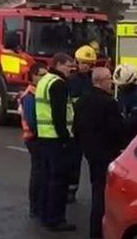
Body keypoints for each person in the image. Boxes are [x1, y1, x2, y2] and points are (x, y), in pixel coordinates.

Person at [73, 67, 125, 239]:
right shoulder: (108, 103)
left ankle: (94, 231)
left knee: (97, 190)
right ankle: (100, 232)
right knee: (103, 195)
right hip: (107, 154)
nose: (112, 82)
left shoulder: (82, 101)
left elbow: (77, 128)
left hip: (91, 153)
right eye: (109, 79)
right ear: (101, 81)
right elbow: (117, 129)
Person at [35, 52, 78, 232]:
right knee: (59, 181)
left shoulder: (44, 80)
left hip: (44, 136)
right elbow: (59, 115)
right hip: (56, 139)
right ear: (59, 64)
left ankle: (44, 215)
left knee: (47, 179)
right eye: (68, 65)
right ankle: (56, 219)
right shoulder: (58, 84)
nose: (71, 69)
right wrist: (65, 138)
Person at [64, 44, 97, 202]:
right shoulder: (71, 80)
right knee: (73, 160)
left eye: (88, 64)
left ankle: (96, 188)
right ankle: (71, 189)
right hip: (76, 126)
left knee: (94, 161)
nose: (85, 66)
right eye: (83, 63)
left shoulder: (93, 79)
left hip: (90, 127)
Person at [20, 64, 48, 220]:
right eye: (42, 75)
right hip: (34, 138)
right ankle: (35, 207)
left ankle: (38, 206)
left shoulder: (37, 92)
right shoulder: (30, 95)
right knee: (38, 173)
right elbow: (32, 120)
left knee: (41, 172)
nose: (45, 78)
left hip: (36, 137)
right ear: (34, 76)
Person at [113, 64, 137, 141]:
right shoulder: (124, 93)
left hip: (134, 137)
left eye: (123, 86)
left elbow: (136, 121)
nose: (120, 88)